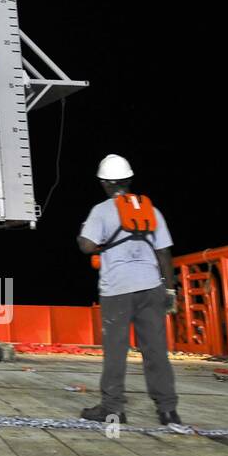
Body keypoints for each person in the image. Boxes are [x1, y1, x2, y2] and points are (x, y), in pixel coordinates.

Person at [76, 154, 181, 426]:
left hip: (117, 290)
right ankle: (167, 410)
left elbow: (87, 246)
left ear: (105, 184)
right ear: (129, 180)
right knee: (156, 350)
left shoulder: (101, 211)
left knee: (116, 351)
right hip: (151, 287)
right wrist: (170, 291)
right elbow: (164, 254)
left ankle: (113, 409)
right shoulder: (151, 210)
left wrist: (82, 237)